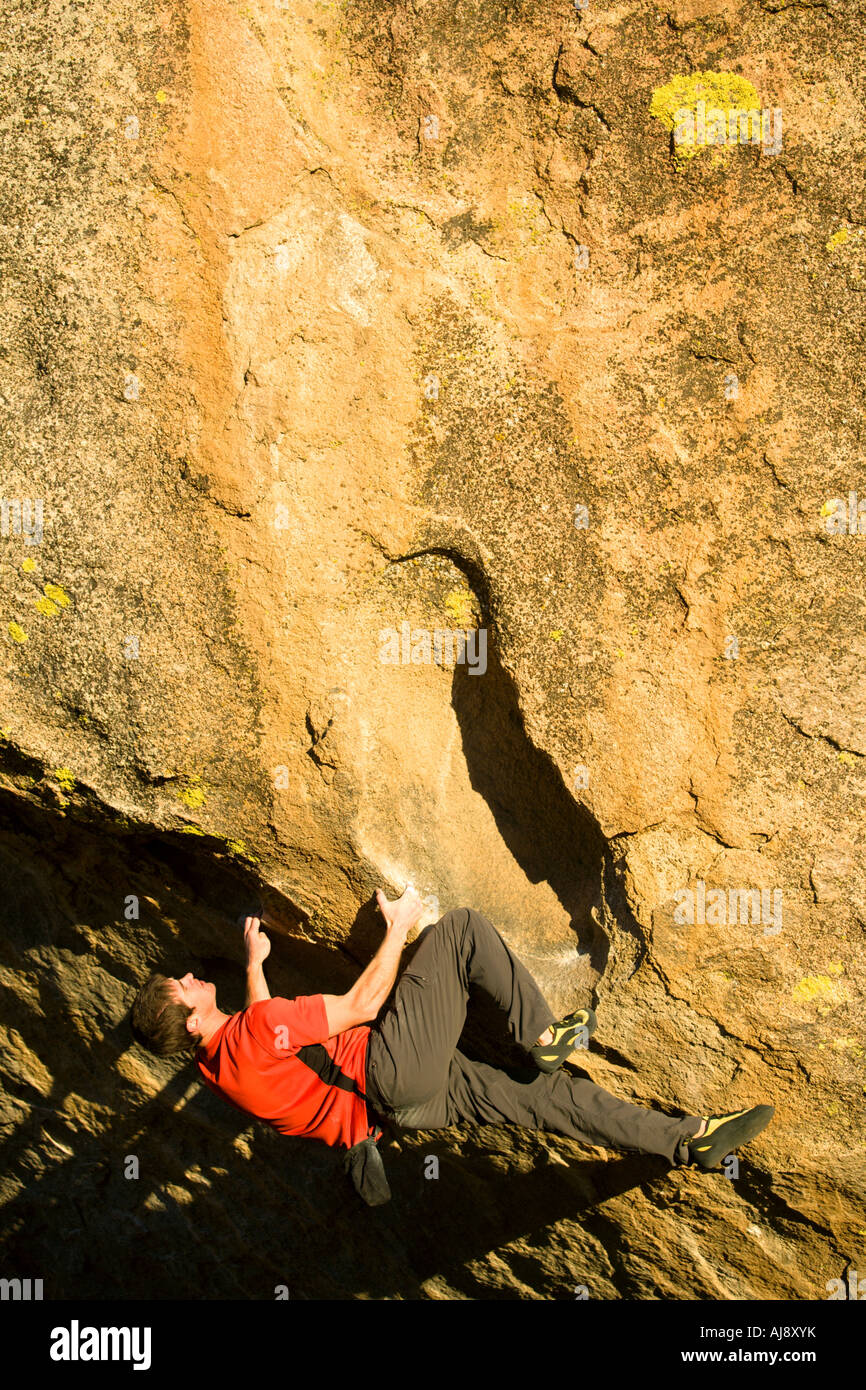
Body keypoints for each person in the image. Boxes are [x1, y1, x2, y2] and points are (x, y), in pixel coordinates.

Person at [130, 888, 774, 1182]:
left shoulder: (218, 1068)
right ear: (190, 1018)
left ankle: (690, 1142)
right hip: (389, 1066)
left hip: (405, 1111)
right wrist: (398, 925)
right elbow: (363, 1002)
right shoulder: (254, 1031)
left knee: (545, 1101)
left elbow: (265, 1037)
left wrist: (254, 966)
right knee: (461, 927)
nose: (188, 974)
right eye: (181, 985)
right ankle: (543, 1030)